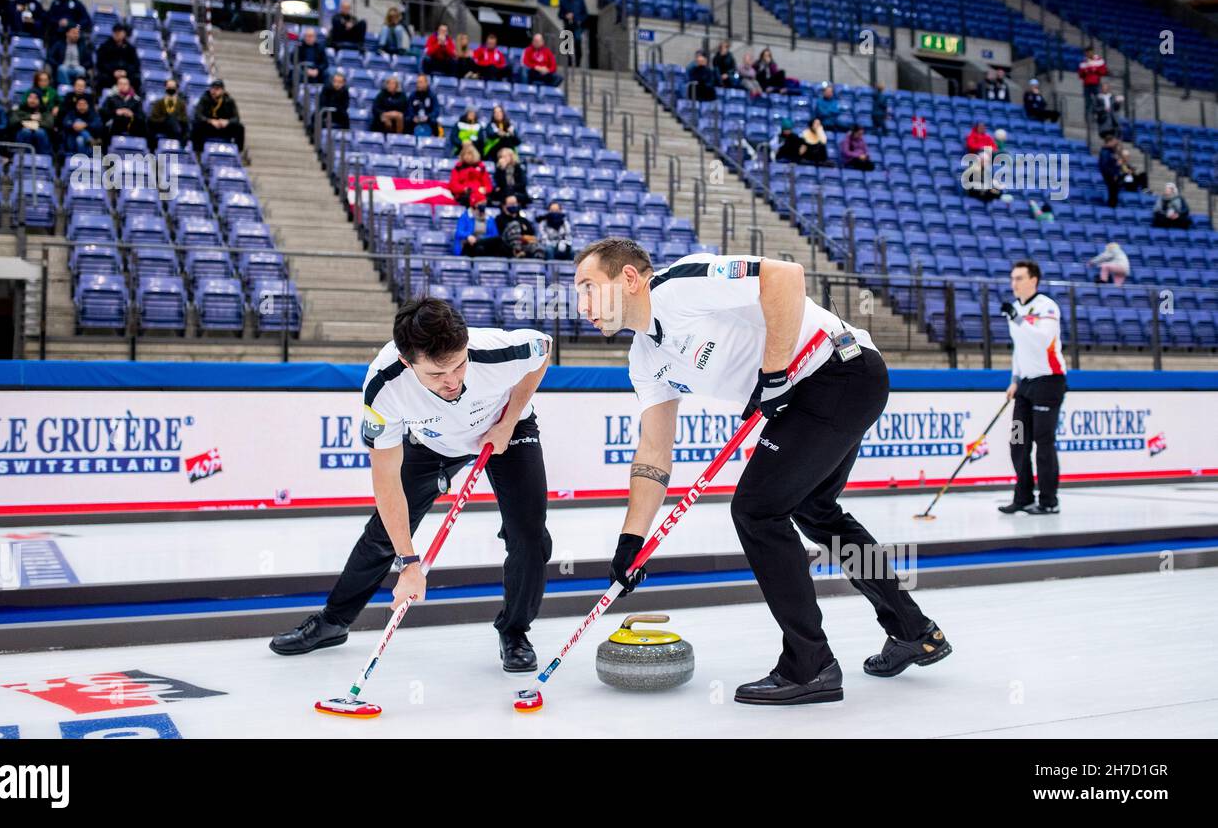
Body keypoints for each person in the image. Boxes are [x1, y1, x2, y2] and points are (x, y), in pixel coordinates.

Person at [573, 239, 948, 705]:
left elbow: (785, 276)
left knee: (756, 510)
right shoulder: (645, 359)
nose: (581, 304)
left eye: (589, 288)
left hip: (840, 371)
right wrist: (632, 541)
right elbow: (653, 453)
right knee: (816, 511)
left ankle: (810, 664)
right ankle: (914, 630)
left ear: (629, 278)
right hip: (816, 390)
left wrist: (774, 374)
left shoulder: (680, 286)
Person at [268, 298, 555, 674]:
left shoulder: (496, 351)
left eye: (458, 365)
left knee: (529, 535)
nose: (452, 381)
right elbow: (386, 479)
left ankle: (515, 631)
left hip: (504, 430)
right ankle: (333, 621)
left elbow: (543, 350)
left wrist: (508, 419)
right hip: (433, 442)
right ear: (407, 362)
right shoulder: (384, 386)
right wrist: (408, 562)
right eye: (437, 375)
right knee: (382, 535)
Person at [998, 260, 1067, 515]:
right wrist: (1014, 380)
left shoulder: (1046, 306)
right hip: (1025, 385)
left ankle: (1049, 501)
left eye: (1019, 278)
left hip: (1049, 380)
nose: (1013, 283)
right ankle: (1023, 497)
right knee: (1018, 441)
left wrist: (1017, 319)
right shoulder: (1015, 309)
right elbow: (1020, 349)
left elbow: (1042, 340)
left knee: (1043, 442)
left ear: (1033, 280)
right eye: (1012, 278)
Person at [191, 78, 244, 152]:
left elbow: (236, 118)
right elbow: (198, 115)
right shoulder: (204, 99)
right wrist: (210, 121)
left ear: (222, 91)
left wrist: (227, 122)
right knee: (196, 125)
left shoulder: (229, 101)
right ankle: (198, 152)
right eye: (212, 88)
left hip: (223, 127)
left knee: (240, 127)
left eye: (217, 89)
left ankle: (238, 152)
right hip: (209, 127)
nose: (214, 91)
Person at [95, 23, 141, 91]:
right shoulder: (105, 46)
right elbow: (101, 63)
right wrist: (113, 72)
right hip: (110, 74)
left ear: (124, 33)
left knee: (136, 79)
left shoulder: (130, 48)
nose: (117, 34)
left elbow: (136, 64)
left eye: (119, 32)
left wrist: (126, 72)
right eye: (115, 32)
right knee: (102, 78)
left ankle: (133, 99)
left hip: (126, 74)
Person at [448, 141, 492, 208]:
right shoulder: (458, 168)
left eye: (470, 154)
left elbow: (488, 185)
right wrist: (464, 189)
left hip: (479, 194)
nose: (468, 157)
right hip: (464, 195)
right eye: (465, 154)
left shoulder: (481, 168)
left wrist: (484, 189)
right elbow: (453, 185)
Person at [148, 78, 191, 145]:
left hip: (177, 126)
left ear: (177, 89)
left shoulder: (182, 104)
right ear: (165, 87)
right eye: (169, 87)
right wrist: (167, 119)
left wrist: (175, 119)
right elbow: (154, 118)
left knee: (179, 123)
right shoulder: (158, 103)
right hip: (162, 126)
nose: (171, 89)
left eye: (173, 87)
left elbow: (184, 118)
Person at [11, 90, 54, 155]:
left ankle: (42, 158)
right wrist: (30, 117)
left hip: (42, 139)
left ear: (40, 100)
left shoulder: (45, 111)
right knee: (25, 132)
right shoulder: (20, 109)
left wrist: (37, 124)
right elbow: (13, 121)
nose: (32, 100)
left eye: (35, 98)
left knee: (40, 132)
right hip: (22, 135)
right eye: (30, 97)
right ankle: (21, 157)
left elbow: (50, 124)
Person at [558, 0, 589, 68]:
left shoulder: (580, 0)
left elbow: (585, 14)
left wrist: (577, 18)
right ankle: (569, 64)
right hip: (567, 26)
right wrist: (565, 16)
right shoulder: (563, 1)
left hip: (577, 27)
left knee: (578, 45)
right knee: (567, 47)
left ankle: (578, 64)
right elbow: (560, 15)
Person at [1098, 134, 1121, 208]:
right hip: (1110, 175)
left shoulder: (1112, 151)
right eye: (1113, 141)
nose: (1115, 143)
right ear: (1109, 142)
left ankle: (1113, 206)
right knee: (1113, 190)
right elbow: (1105, 165)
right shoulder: (1105, 152)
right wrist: (1112, 174)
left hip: (1113, 174)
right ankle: (1111, 206)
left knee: (1115, 190)